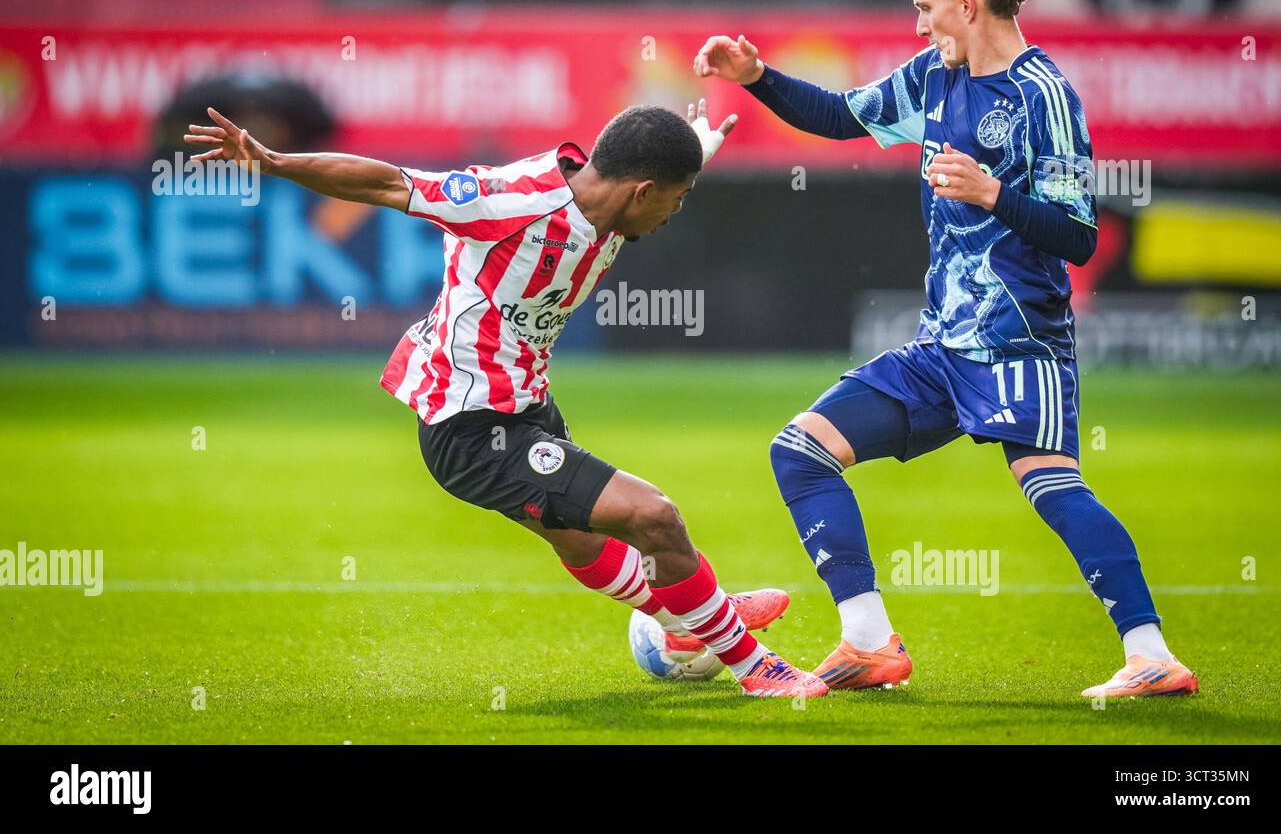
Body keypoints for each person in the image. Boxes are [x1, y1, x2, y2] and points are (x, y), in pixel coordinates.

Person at [693, 0, 1197, 699]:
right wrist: (758, 76)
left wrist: (993, 192)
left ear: (968, 2)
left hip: (1019, 341)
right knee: (800, 450)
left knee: (1053, 488)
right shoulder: (934, 76)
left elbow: (1080, 236)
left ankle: (1150, 654)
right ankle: (868, 641)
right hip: (939, 349)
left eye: (927, 7)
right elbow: (840, 116)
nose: (919, 23)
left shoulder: (1044, 95)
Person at [184, 100, 826, 698]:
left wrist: (700, 145)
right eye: (676, 201)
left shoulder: (620, 193)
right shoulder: (508, 201)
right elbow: (386, 182)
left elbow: (654, 169)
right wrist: (271, 162)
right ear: (642, 191)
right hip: (468, 425)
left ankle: (687, 617)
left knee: (576, 537)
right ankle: (754, 667)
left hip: (526, 403)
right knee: (654, 518)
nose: (671, 216)